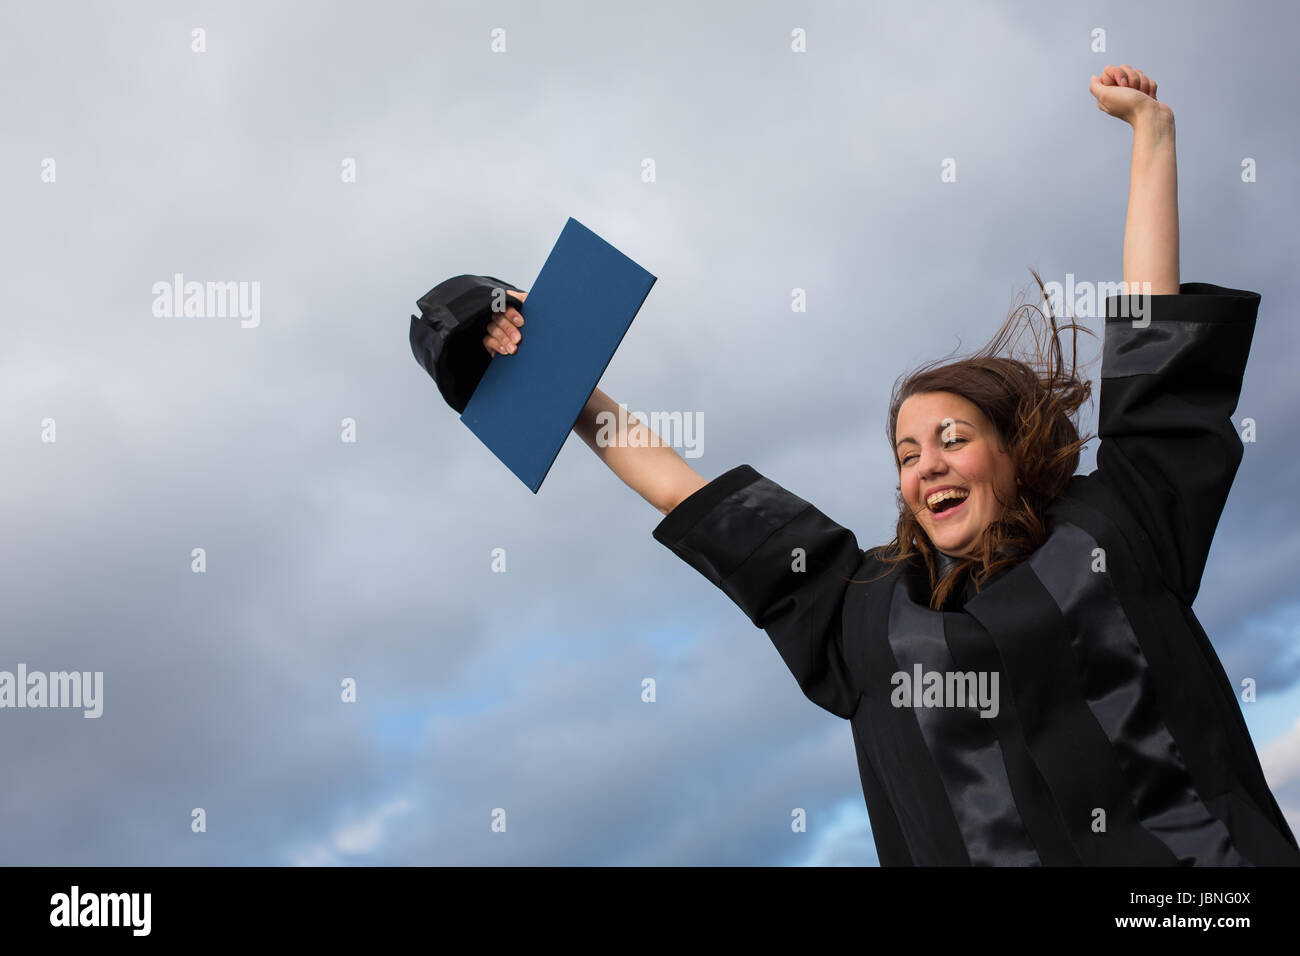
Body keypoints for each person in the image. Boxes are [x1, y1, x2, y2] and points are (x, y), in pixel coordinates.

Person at [447, 66, 1299, 865]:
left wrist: (1153, 136)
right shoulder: (858, 613)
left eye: (955, 439)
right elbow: (682, 487)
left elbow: (1153, 340)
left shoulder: (1119, 524)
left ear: (1014, 450)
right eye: (906, 453)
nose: (927, 466)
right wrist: (554, 379)